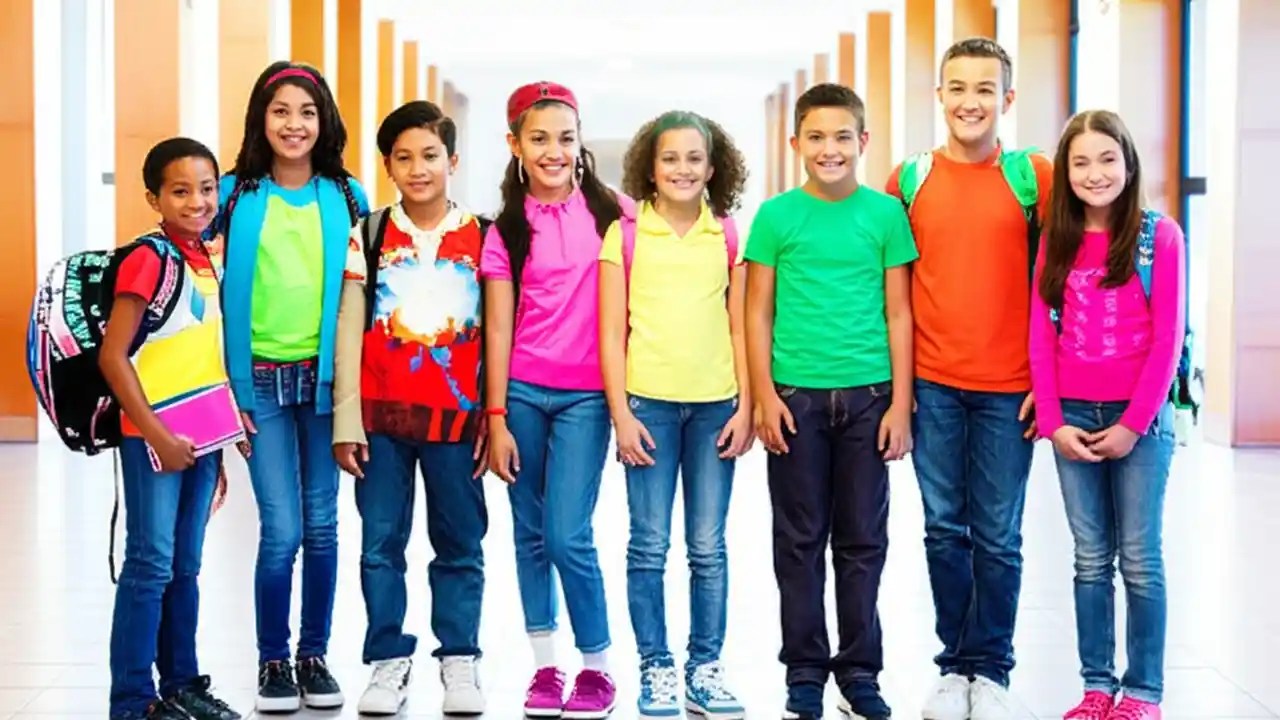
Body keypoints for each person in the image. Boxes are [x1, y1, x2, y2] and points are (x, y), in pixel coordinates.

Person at [885, 38, 1052, 720]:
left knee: (999, 534)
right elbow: (888, 290)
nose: (969, 102)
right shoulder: (909, 178)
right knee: (944, 529)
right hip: (931, 388)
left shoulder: (1032, 176)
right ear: (940, 96)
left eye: (984, 89)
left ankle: (994, 670)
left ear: (1006, 99)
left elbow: (1055, 287)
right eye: (957, 88)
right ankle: (954, 668)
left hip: (1010, 389)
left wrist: (1052, 380)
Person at [746, 82, 916, 720]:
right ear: (795, 144)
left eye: (842, 136)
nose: (829, 148)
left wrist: (901, 404)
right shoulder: (775, 216)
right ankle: (805, 674)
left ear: (863, 142)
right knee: (798, 541)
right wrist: (763, 394)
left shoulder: (885, 215)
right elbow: (756, 312)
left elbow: (900, 314)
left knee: (863, 540)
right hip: (795, 400)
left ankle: (860, 673)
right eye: (815, 137)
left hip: (870, 400)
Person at [218, 60, 369, 713]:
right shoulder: (232, 194)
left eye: (306, 112)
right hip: (258, 385)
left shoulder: (347, 196)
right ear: (261, 118)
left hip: (324, 385)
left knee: (324, 527)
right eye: (280, 111)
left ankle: (315, 654)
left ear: (324, 120)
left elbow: (363, 299)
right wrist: (225, 396)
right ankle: (272, 660)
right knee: (281, 531)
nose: (294, 124)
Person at [332, 100, 490, 717]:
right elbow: (349, 329)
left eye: (430, 155)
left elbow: (499, 329)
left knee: (458, 542)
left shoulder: (483, 234)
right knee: (380, 545)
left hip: (457, 422)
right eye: (404, 158)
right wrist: (346, 419)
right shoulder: (367, 234)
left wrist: (493, 415)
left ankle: (459, 658)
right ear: (388, 166)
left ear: (452, 160)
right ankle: (387, 662)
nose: (418, 168)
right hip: (381, 422)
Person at [1029, 110, 1184, 720]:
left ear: (1128, 163)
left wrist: (1133, 425)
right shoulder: (1056, 241)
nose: (1095, 173)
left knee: (1140, 556)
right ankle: (1097, 686)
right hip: (1072, 417)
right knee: (1090, 558)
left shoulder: (1158, 236)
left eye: (1107, 159)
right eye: (1080, 162)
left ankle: (1143, 693)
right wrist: (1052, 420)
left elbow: (1167, 340)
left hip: (1138, 422)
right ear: (1065, 173)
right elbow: (1040, 335)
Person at [598, 110, 752, 719]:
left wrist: (745, 404)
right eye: (670, 158)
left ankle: (705, 668)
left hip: (716, 407)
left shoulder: (730, 235)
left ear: (713, 169)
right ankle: (656, 667)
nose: (682, 169)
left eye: (695, 158)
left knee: (708, 547)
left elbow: (740, 325)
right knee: (648, 545)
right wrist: (621, 416)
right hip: (649, 407)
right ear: (650, 167)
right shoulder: (626, 234)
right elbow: (612, 334)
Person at [481, 81, 624, 719]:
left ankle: (596, 667)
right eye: (539, 139)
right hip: (522, 397)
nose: (554, 151)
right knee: (529, 534)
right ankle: (545, 667)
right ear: (515, 145)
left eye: (565, 138)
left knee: (569, 534)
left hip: (587, 398)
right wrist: (497, 417)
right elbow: (499, 329)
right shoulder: (505, 229)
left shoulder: (614, 216)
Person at [100, 137, 241, 720]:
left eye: (206, 189)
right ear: (153, 197)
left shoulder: (207, 256)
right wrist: (156, 435)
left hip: (200, 442)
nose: (197, 202)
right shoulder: (147, 258)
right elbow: (113, 357)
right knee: (150, 564)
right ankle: (132, 700)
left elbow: (201, 360)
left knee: (186, 565)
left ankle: (182, 684)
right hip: (150, 439)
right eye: (180, 191)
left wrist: (219, 452)